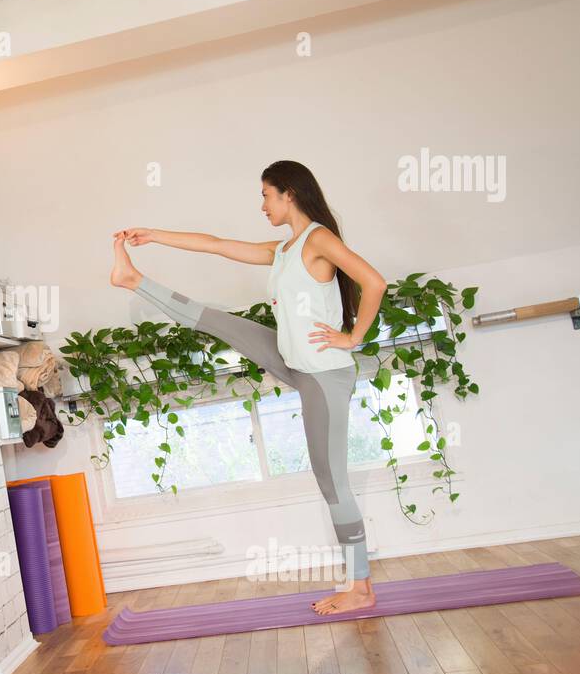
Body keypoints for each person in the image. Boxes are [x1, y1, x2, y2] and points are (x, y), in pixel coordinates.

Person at [110, 160, 387, 615]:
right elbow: (216, 246)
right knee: (219, 321)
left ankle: (360, 587)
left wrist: (353, 337)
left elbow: (373, 281)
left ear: (289, 194)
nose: (262, 205)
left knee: (332, 481)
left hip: (323, 374)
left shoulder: (318, 240)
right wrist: (155, 235)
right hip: (294, 360)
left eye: (266, 195)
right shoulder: (284, 250)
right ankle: (132, 279)